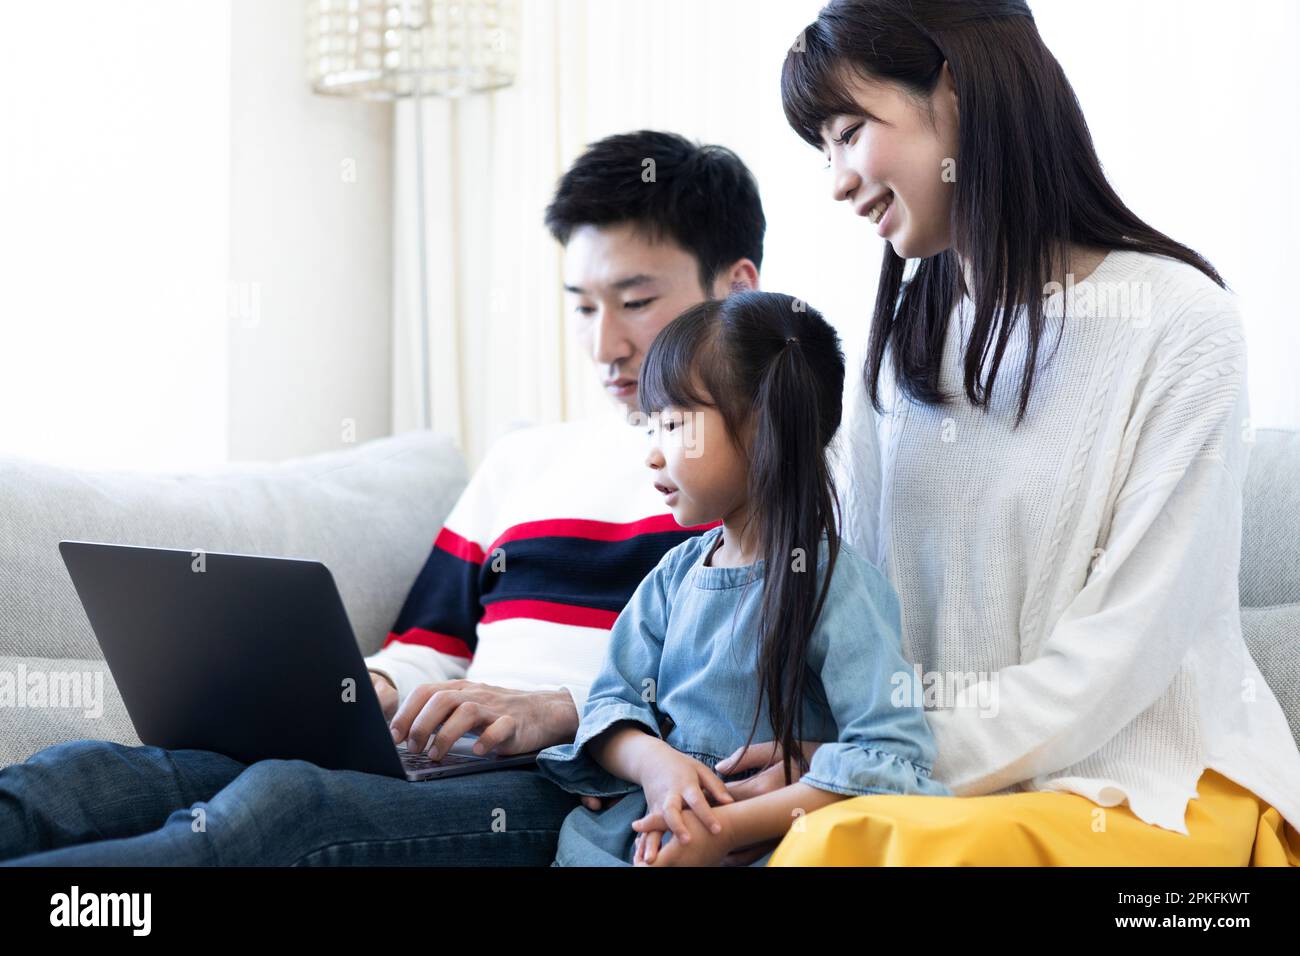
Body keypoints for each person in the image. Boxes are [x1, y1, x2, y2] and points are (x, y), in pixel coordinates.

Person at [0, 131, 794, 867]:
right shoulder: (525, 460)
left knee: (283, 808)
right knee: (90, 776)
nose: (603, 345)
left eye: (636, 300)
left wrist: (558, 710)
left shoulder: (755, 473)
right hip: (440, 762)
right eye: (584, 306)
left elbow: (736, 695)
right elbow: (428, 648)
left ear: (736, 288)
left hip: (566, 787)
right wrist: (365, 693)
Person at [768, 0, 1300, 865]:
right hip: (940, 793)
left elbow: (1121, 656)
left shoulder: (1179, 322)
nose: (834, 178)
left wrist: (871, 764)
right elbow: (855, 617)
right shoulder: (898, 346)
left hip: (1154, 794)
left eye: (849, 129)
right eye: (821, 147)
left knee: (843, 845)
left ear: (956, 90)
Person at [535, 291, 951, 866]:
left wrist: (727, 829)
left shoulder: (835, 586)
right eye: (650, 428)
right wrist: (657, 765)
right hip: (643, 832)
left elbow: (890, 755)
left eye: (674, 424)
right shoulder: (674, 577)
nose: (653, 456)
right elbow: (612, 702)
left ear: (763, 426)